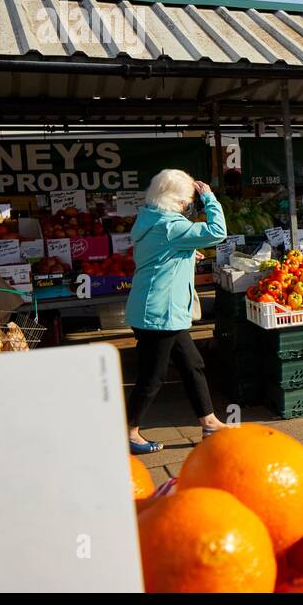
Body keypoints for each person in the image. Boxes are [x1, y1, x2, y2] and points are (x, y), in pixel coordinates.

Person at [125, 170, 229, 454]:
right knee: (152, 376)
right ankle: (130, 432)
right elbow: (218, 232)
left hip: (154, 308)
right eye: (187, 200)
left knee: (192, 364)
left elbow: (156, 253)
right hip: (160, 314)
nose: (188, 205)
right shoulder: (172, 227)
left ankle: (209, 422)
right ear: (177, 200)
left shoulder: (150, 219)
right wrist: (209, 198)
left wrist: (184, 253)